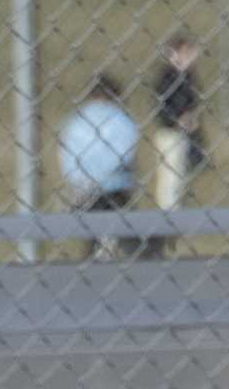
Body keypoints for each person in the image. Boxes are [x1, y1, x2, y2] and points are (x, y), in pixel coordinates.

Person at [56, 73, 139, 259]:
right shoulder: (119, 117)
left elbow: (65, 153)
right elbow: (126, 153)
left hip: (82, 187)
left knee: (93, 235)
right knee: (117, 233)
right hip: (114, 186)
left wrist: (76, 178)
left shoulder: (76, 119)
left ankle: (96, 256)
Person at [145, 31, 206, 256]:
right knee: (170, 182)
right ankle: (167, 228)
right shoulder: (167, 76)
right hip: (170, 134)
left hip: (184, 135)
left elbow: (192, 103)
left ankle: (176, 226)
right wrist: (178, 119)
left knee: (180, 182)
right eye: (187, 52)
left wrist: (192, 120)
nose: (192, 56)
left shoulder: (188, 76)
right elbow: (161, 108)